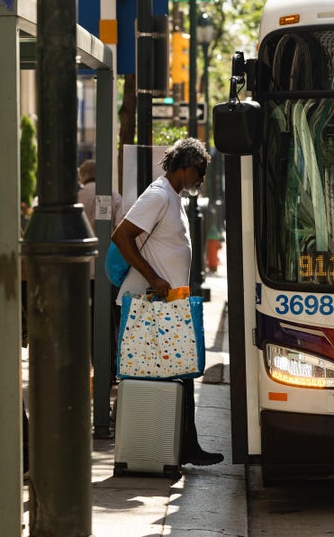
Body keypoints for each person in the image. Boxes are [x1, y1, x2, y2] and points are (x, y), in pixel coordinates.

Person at [111, 138, 223, 466]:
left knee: (182, 372)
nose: (201, 178)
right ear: (184, 166)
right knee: (165, 374)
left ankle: (185, 446)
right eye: (199, 171)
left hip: (167, 304)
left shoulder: (172, 196)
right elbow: (121, 236)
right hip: (150, 303)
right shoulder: (158, 195)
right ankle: (176, 446)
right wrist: (154, 278)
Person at [77, 158, 125, 380]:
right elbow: (121, 228)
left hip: (81, 272)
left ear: (82, 176)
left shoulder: (77, 197)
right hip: (107, 271)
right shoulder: (113, 196)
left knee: (85, 321)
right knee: (109, 322)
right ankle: (108, 368)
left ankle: (87, 365)